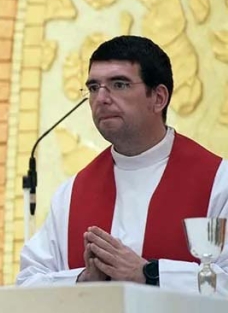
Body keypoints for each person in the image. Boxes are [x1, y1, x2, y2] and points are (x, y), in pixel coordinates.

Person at [18, 36, 228, 290]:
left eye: (119, 84)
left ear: (159, 97)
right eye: (94, 87)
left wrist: (150, 274)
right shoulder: (72, 193)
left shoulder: (218, 181)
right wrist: (85, 280)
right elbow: (28, 281)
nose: (101, 98)